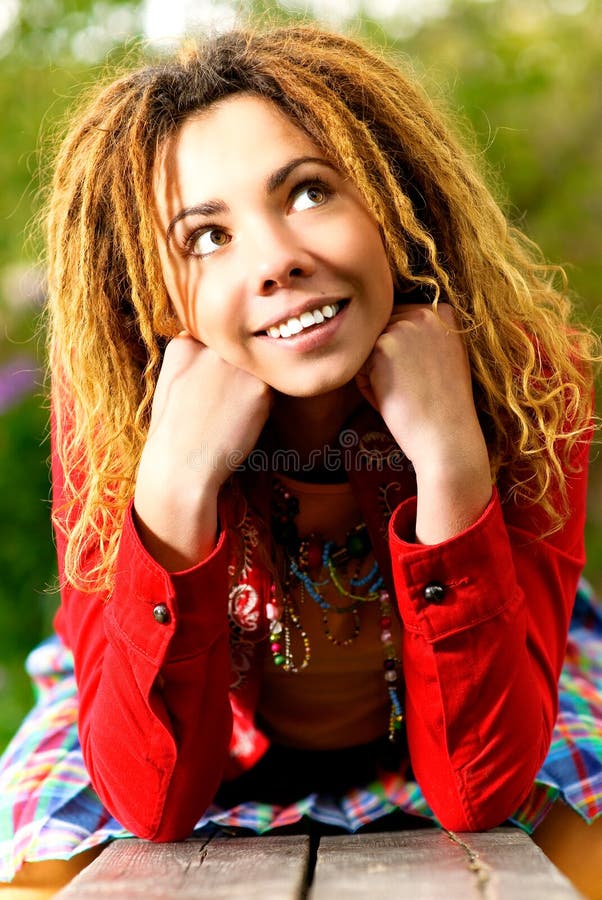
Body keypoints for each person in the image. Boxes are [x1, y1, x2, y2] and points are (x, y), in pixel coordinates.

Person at [1, 22, 600, 899]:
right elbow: (151, 802)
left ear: (395, 199)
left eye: (310, 192)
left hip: (483, 697)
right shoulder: (115, 407)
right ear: (148, 287)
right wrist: (173, 489)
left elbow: (482, 787)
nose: (277, 261)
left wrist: (450, 464)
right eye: (207, 237)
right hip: (187, 739)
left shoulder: (521, 377)